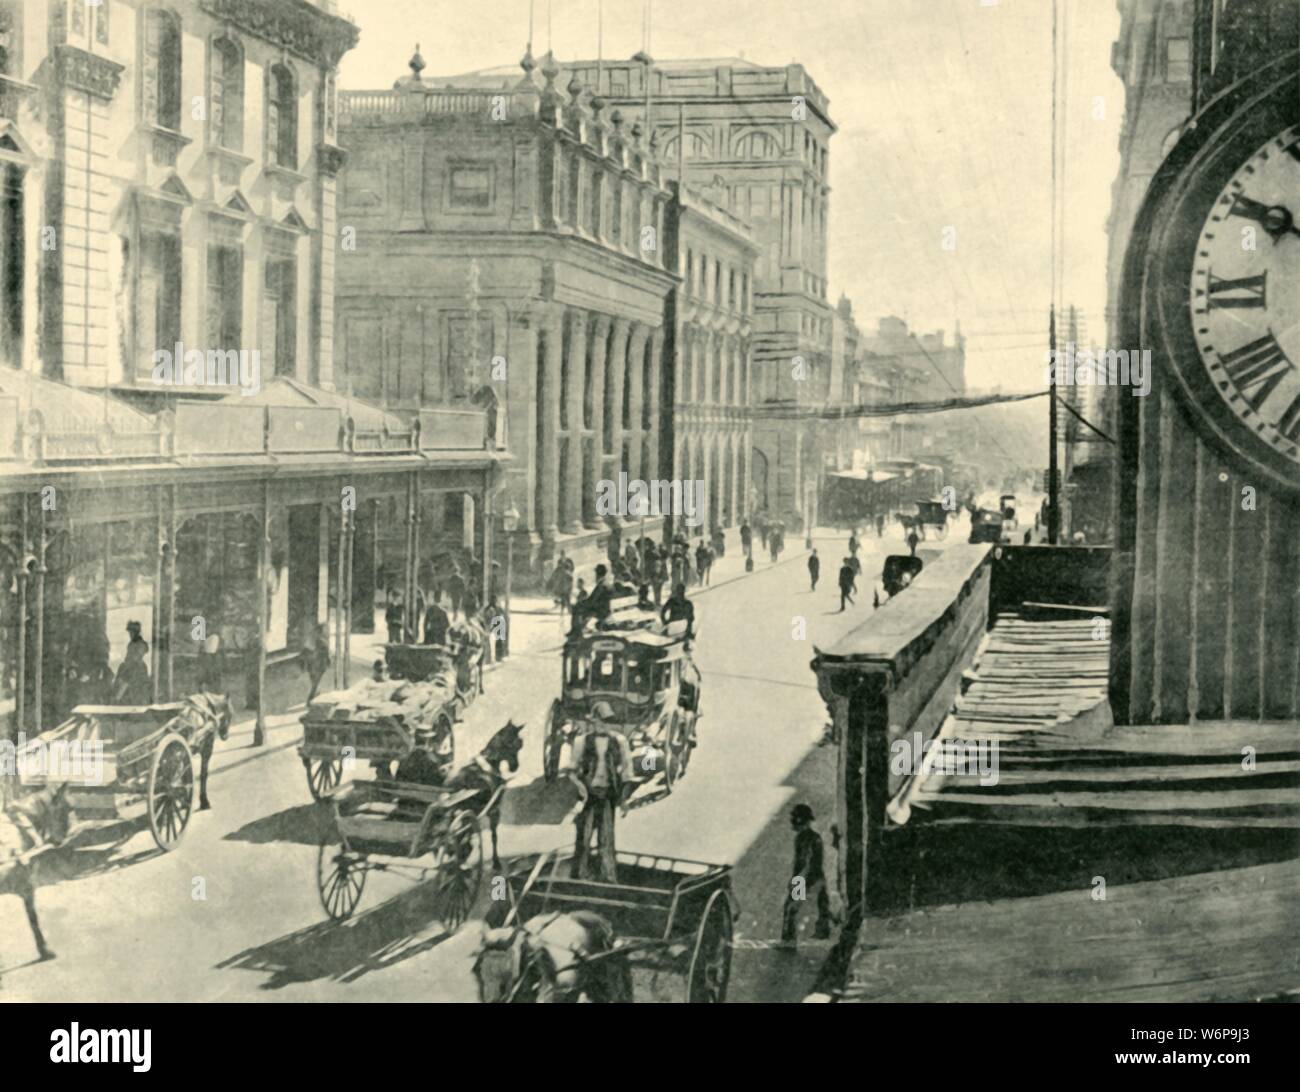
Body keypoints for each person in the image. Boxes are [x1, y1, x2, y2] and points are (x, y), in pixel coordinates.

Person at [567, 720, 635, 881]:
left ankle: (608, 877)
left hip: (608, 796)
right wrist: (580, 788)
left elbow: (627, 770)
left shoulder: (619, 741)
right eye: (599, 721)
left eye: (606, 722)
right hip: (588, 797)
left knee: (606, 839)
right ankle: (579, 876)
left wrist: (624, 799)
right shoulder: (582, 741)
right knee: (584, 838)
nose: (602, 725)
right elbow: (572, 771)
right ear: (593, 722)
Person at [781, 803, 833, 945]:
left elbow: (806, 864)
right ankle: (823, 931)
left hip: (806, 879)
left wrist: (797, 882)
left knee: (791, 908)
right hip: (814, 878)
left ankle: (789, 940)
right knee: (821, 904)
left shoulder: (805, 839)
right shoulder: (811, 837)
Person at [112, 622, 152, 705]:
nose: (130, 634)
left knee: (129, 686)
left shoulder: (138, 644)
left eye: (131, 632)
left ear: (135, 632)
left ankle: (117, 700)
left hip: (136, 669)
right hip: (133, 667)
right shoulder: (132, 644)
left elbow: (135, 657)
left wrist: (128, 665)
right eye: (130, 633)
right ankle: (118, 699)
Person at [301, 621, 331, 704]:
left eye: (328, 629)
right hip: (316, 663)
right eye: (326, 629)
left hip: (318, 663)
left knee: (315, 681)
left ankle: (314, 696)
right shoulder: (318, 639)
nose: (328, 631)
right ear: (321, 630)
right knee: (315, 682)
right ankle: (311, 699)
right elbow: (307, 650)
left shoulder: (320, 638)